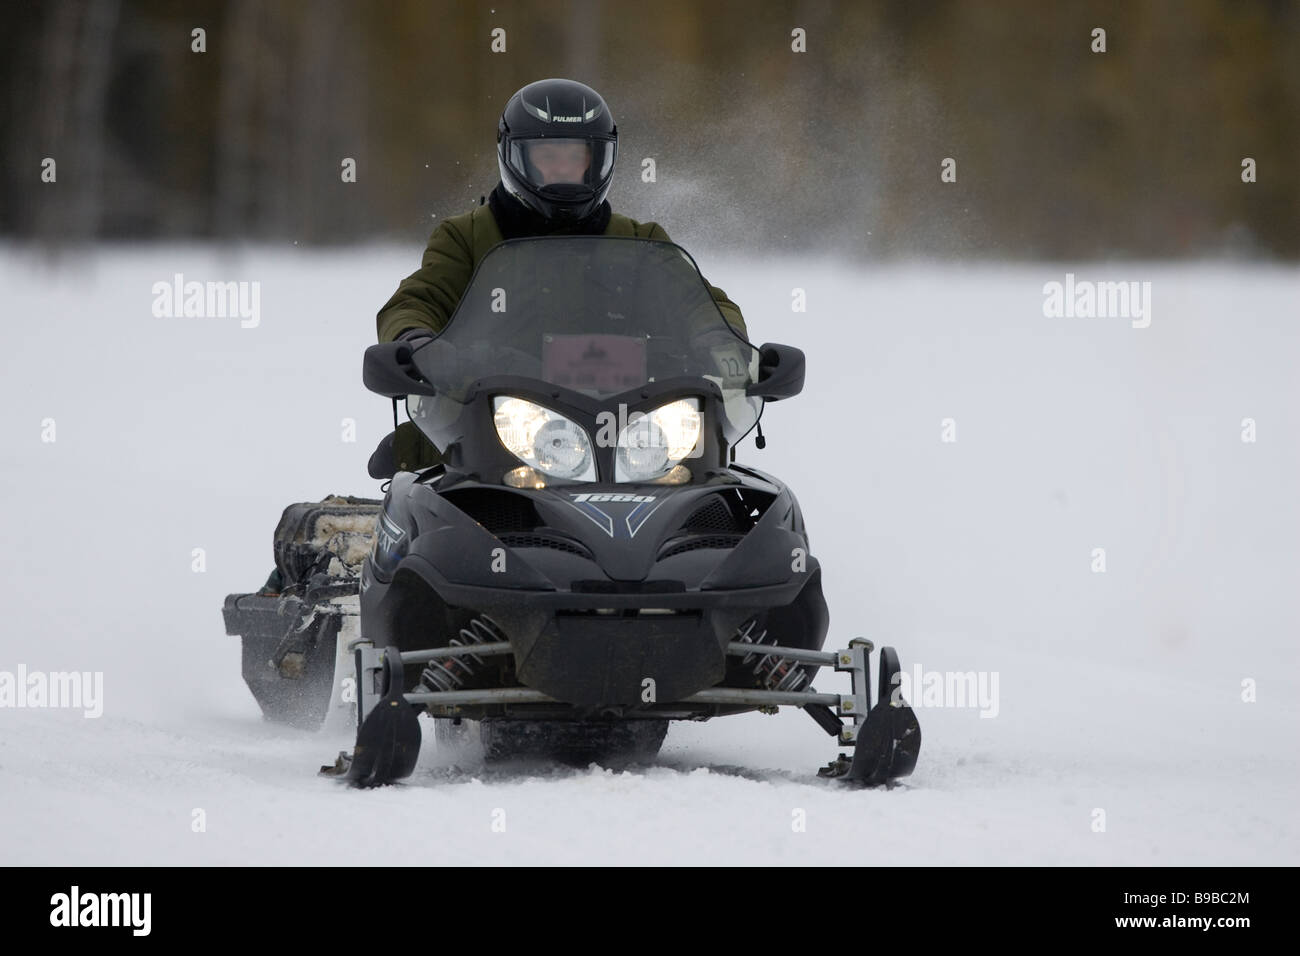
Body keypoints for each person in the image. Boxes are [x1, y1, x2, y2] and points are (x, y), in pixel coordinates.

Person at [373, 77, 746, 473]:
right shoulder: (467, 238)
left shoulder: (641, 243)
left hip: (635, 441)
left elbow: (699, 301)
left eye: (575, 157)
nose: (563, 169)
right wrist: (416, 343)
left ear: (598, 160)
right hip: (493, 437)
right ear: (515, 156)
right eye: (548, 156)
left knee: (729, 496)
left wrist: (719, 338)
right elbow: (418, 300)